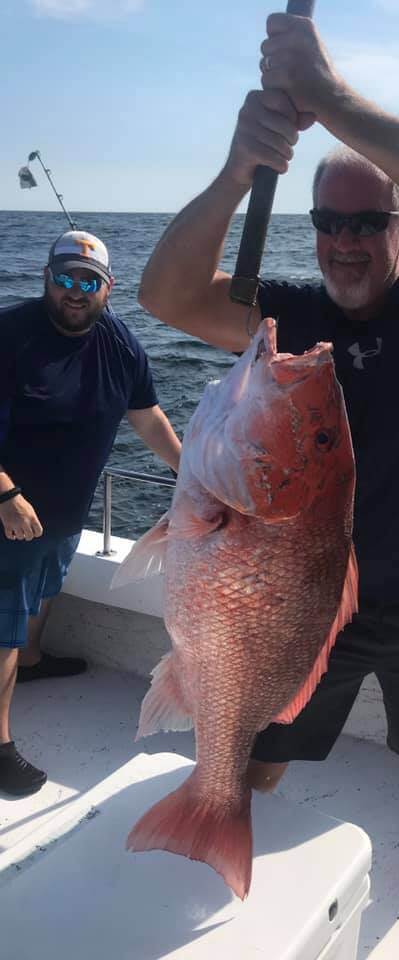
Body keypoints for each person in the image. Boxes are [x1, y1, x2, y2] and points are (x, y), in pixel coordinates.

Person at [137, 13, 399, 900]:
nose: (345, 240)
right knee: (266, 737)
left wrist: (328, 98)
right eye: (327, 220)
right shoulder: (289, 318)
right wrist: (240, 170)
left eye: (367, 221)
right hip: (304, 606)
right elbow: (163, 293)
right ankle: (228, 821)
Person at [0, 229, 182, 797]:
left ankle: (31, 661)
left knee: (47, 587)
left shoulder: (120, 343)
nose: (74, 292)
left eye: (88, 281)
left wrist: (193, 474)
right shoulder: (9, 334)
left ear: (108, 288)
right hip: (7, 512)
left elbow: (147, 416)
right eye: (64, 278)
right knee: (3, 623)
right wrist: (4, 494)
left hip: (61, 513)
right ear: (45, 277)